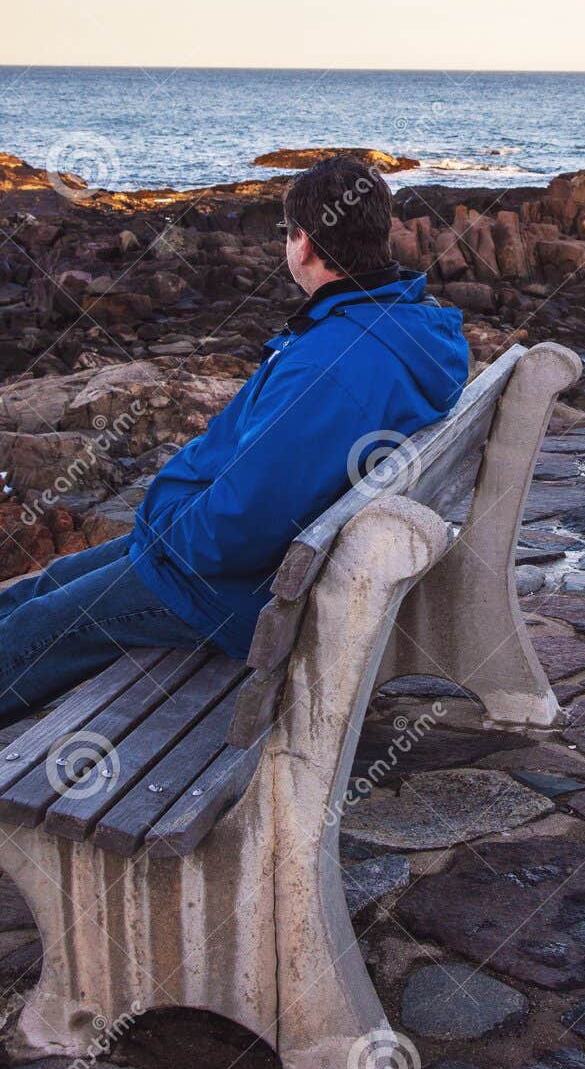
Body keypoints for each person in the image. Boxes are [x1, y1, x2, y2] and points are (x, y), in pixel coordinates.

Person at [0, 155, 469, 723]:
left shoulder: (330, 365)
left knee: (27, 632)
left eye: (287, 233)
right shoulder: (403, 326)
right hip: (228, 563)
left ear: (305, 245)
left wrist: (166, 512)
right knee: (40, 588)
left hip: (220, 589)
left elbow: (235, 531)